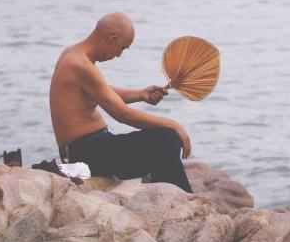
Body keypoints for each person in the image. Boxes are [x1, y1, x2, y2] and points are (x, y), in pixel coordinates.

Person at [49, 12, 193, 192]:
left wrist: (140, 94)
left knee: (162, 143)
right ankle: (182, 198)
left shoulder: (72, 53)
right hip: (86, 155)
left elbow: (102, 91)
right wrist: (174, 124)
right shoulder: (81, 65)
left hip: (89, 150)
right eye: (123, 47)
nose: (119, 55)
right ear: (112, 38)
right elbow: (122, 114)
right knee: (167, 139)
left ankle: (173, 196)